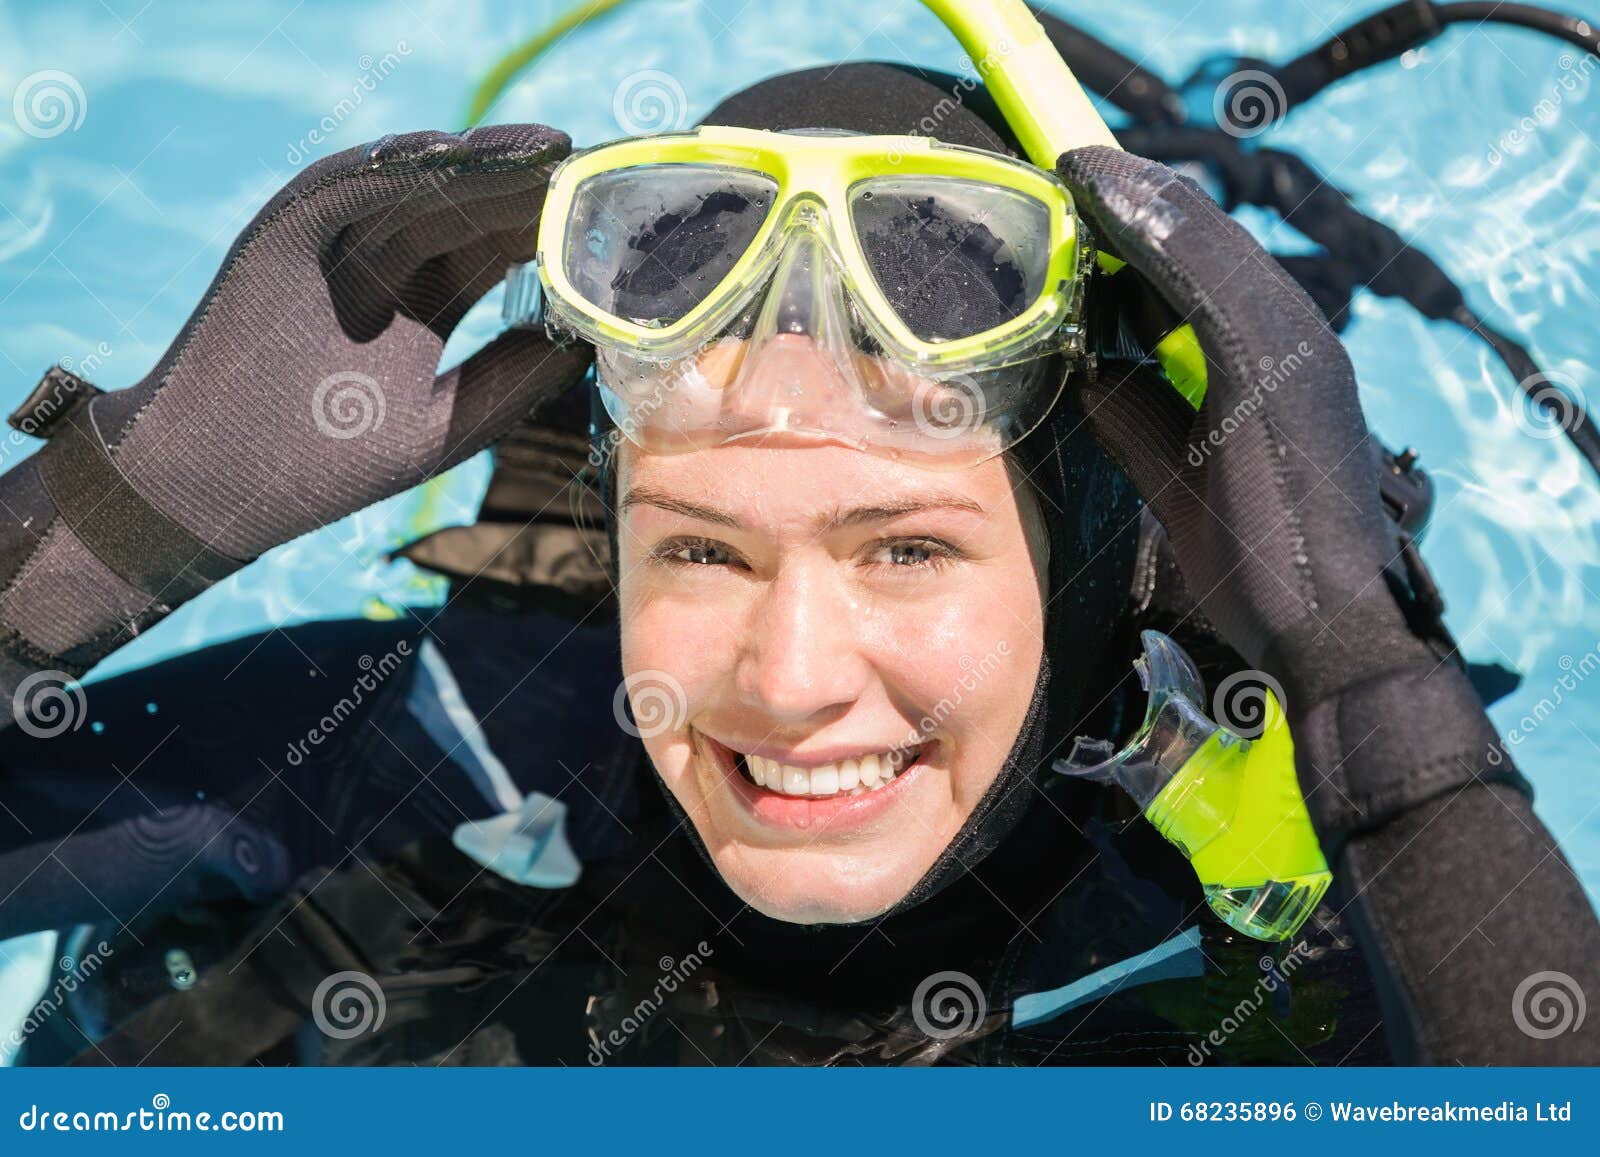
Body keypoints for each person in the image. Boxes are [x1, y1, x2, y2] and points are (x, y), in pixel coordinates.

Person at [0, 0, 1595, 1066]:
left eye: (906, 547)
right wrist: (105, 535)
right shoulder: (434, 751)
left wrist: (1374, 689)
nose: (786, 678)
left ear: (1090, 564)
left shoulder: (1305, 928)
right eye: (701, 547)